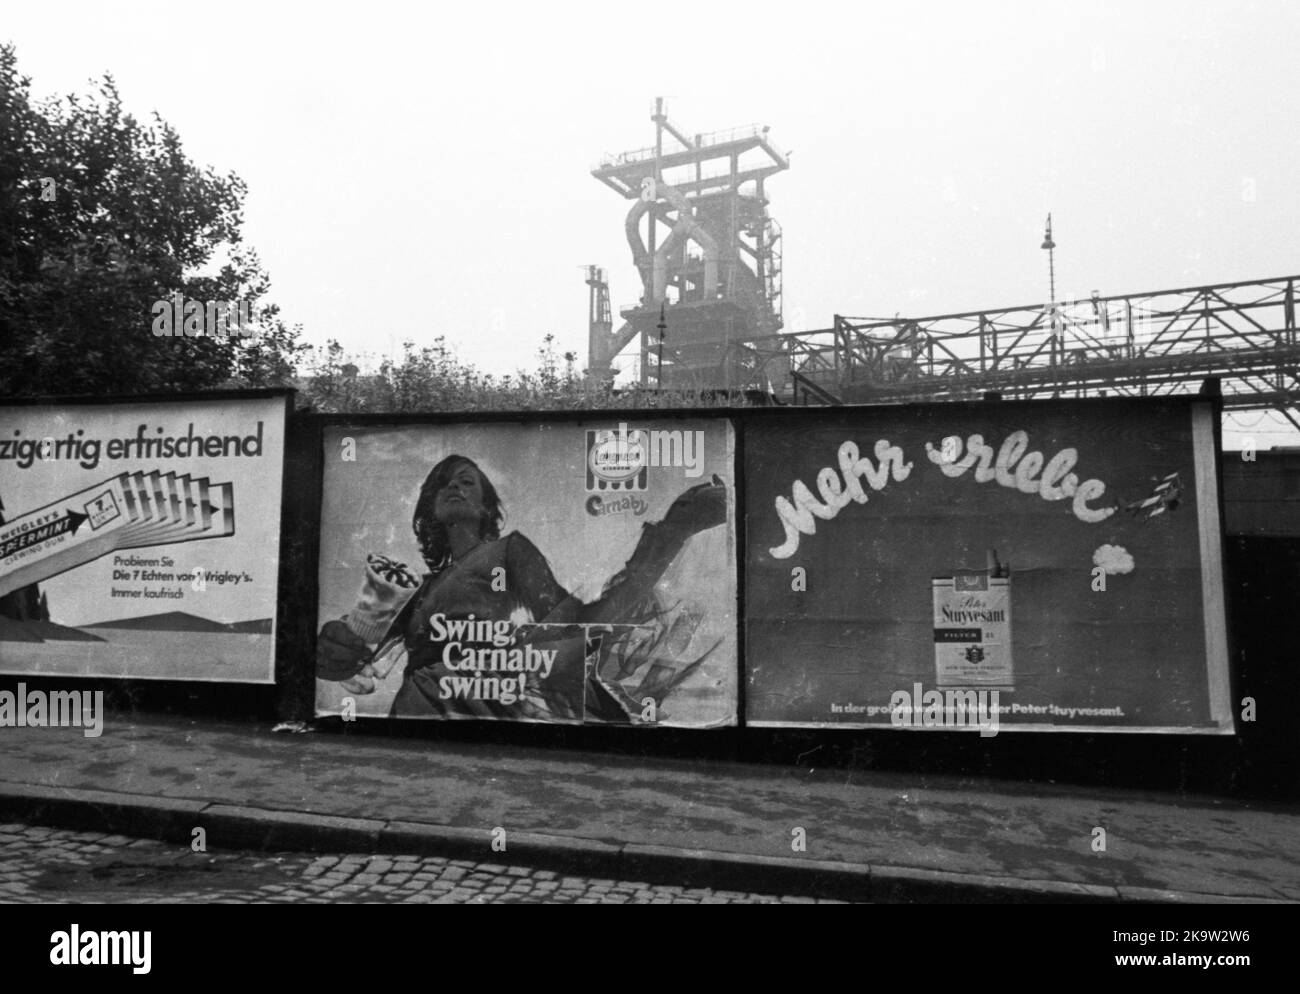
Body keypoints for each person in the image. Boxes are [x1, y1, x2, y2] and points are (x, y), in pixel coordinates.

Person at [317, 453, 725, 721]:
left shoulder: (508, 551)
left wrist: (672, 533)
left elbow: (577, 623)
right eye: (443, 485)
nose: (453, 487)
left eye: (466, 482)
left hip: (473, 713)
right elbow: (353, 664)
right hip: (414, 720)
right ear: (430, 508)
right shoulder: (419, 589)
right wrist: (334, 647)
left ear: (485, 507)